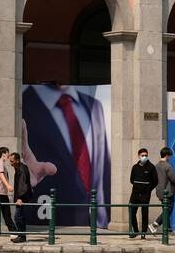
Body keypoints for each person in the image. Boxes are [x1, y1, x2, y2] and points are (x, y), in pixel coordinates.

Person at [20, 83, 111, 228]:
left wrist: (104, 219)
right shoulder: (22, 104)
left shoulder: (94, 105)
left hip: (95, 222)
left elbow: (101, 170)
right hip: (49, 218)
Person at [129, 147, 156, 239]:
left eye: (146, 155)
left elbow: (155, 181)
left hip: (145, 194)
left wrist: (148, 189)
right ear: (138, 156)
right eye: (142, 155)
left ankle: (144, 232)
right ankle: (135, 230)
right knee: (132, 212)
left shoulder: (151, 167)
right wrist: (138, 186)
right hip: (135, 193)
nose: (144, 157)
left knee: (144, 213)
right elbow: (132, 180)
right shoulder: (135, 167)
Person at [150, 146, 175, 237]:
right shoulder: (168, 166)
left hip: (160, 192)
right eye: (170, 155)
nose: (170, 157)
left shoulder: (156, 166)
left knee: (165, 209)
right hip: (168, 192)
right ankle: (154, 224)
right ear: (167, 155)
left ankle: (168, 229)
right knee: (168, 210)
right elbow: (173, 179)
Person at [9, 151, 32, 244]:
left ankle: (22, 236)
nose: (10, 163)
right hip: (21, 197)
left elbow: (23, 185)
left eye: (12, 161)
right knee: (20, 216)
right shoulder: (19, 168)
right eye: (10, 161)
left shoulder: (22, 169)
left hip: (22, 198)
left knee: (18, 217)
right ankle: (21, 236)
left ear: (17, 160)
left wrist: (20, 198)